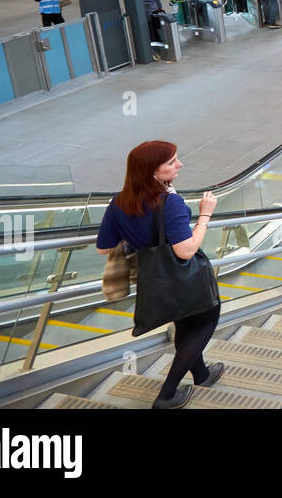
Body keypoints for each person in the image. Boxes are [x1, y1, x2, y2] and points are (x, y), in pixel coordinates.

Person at [95, 141, 223, 409]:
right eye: (171, 161)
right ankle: (166, 394)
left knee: (184, 324)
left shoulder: (119, 202)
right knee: (205, 319)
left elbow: (104, 248)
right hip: (184, 274)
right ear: (151, 171)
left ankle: (202, 374)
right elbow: (186, 250)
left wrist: (138, 237)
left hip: (154, 279)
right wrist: (205, 216)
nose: (180, 164)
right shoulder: (170, 202)